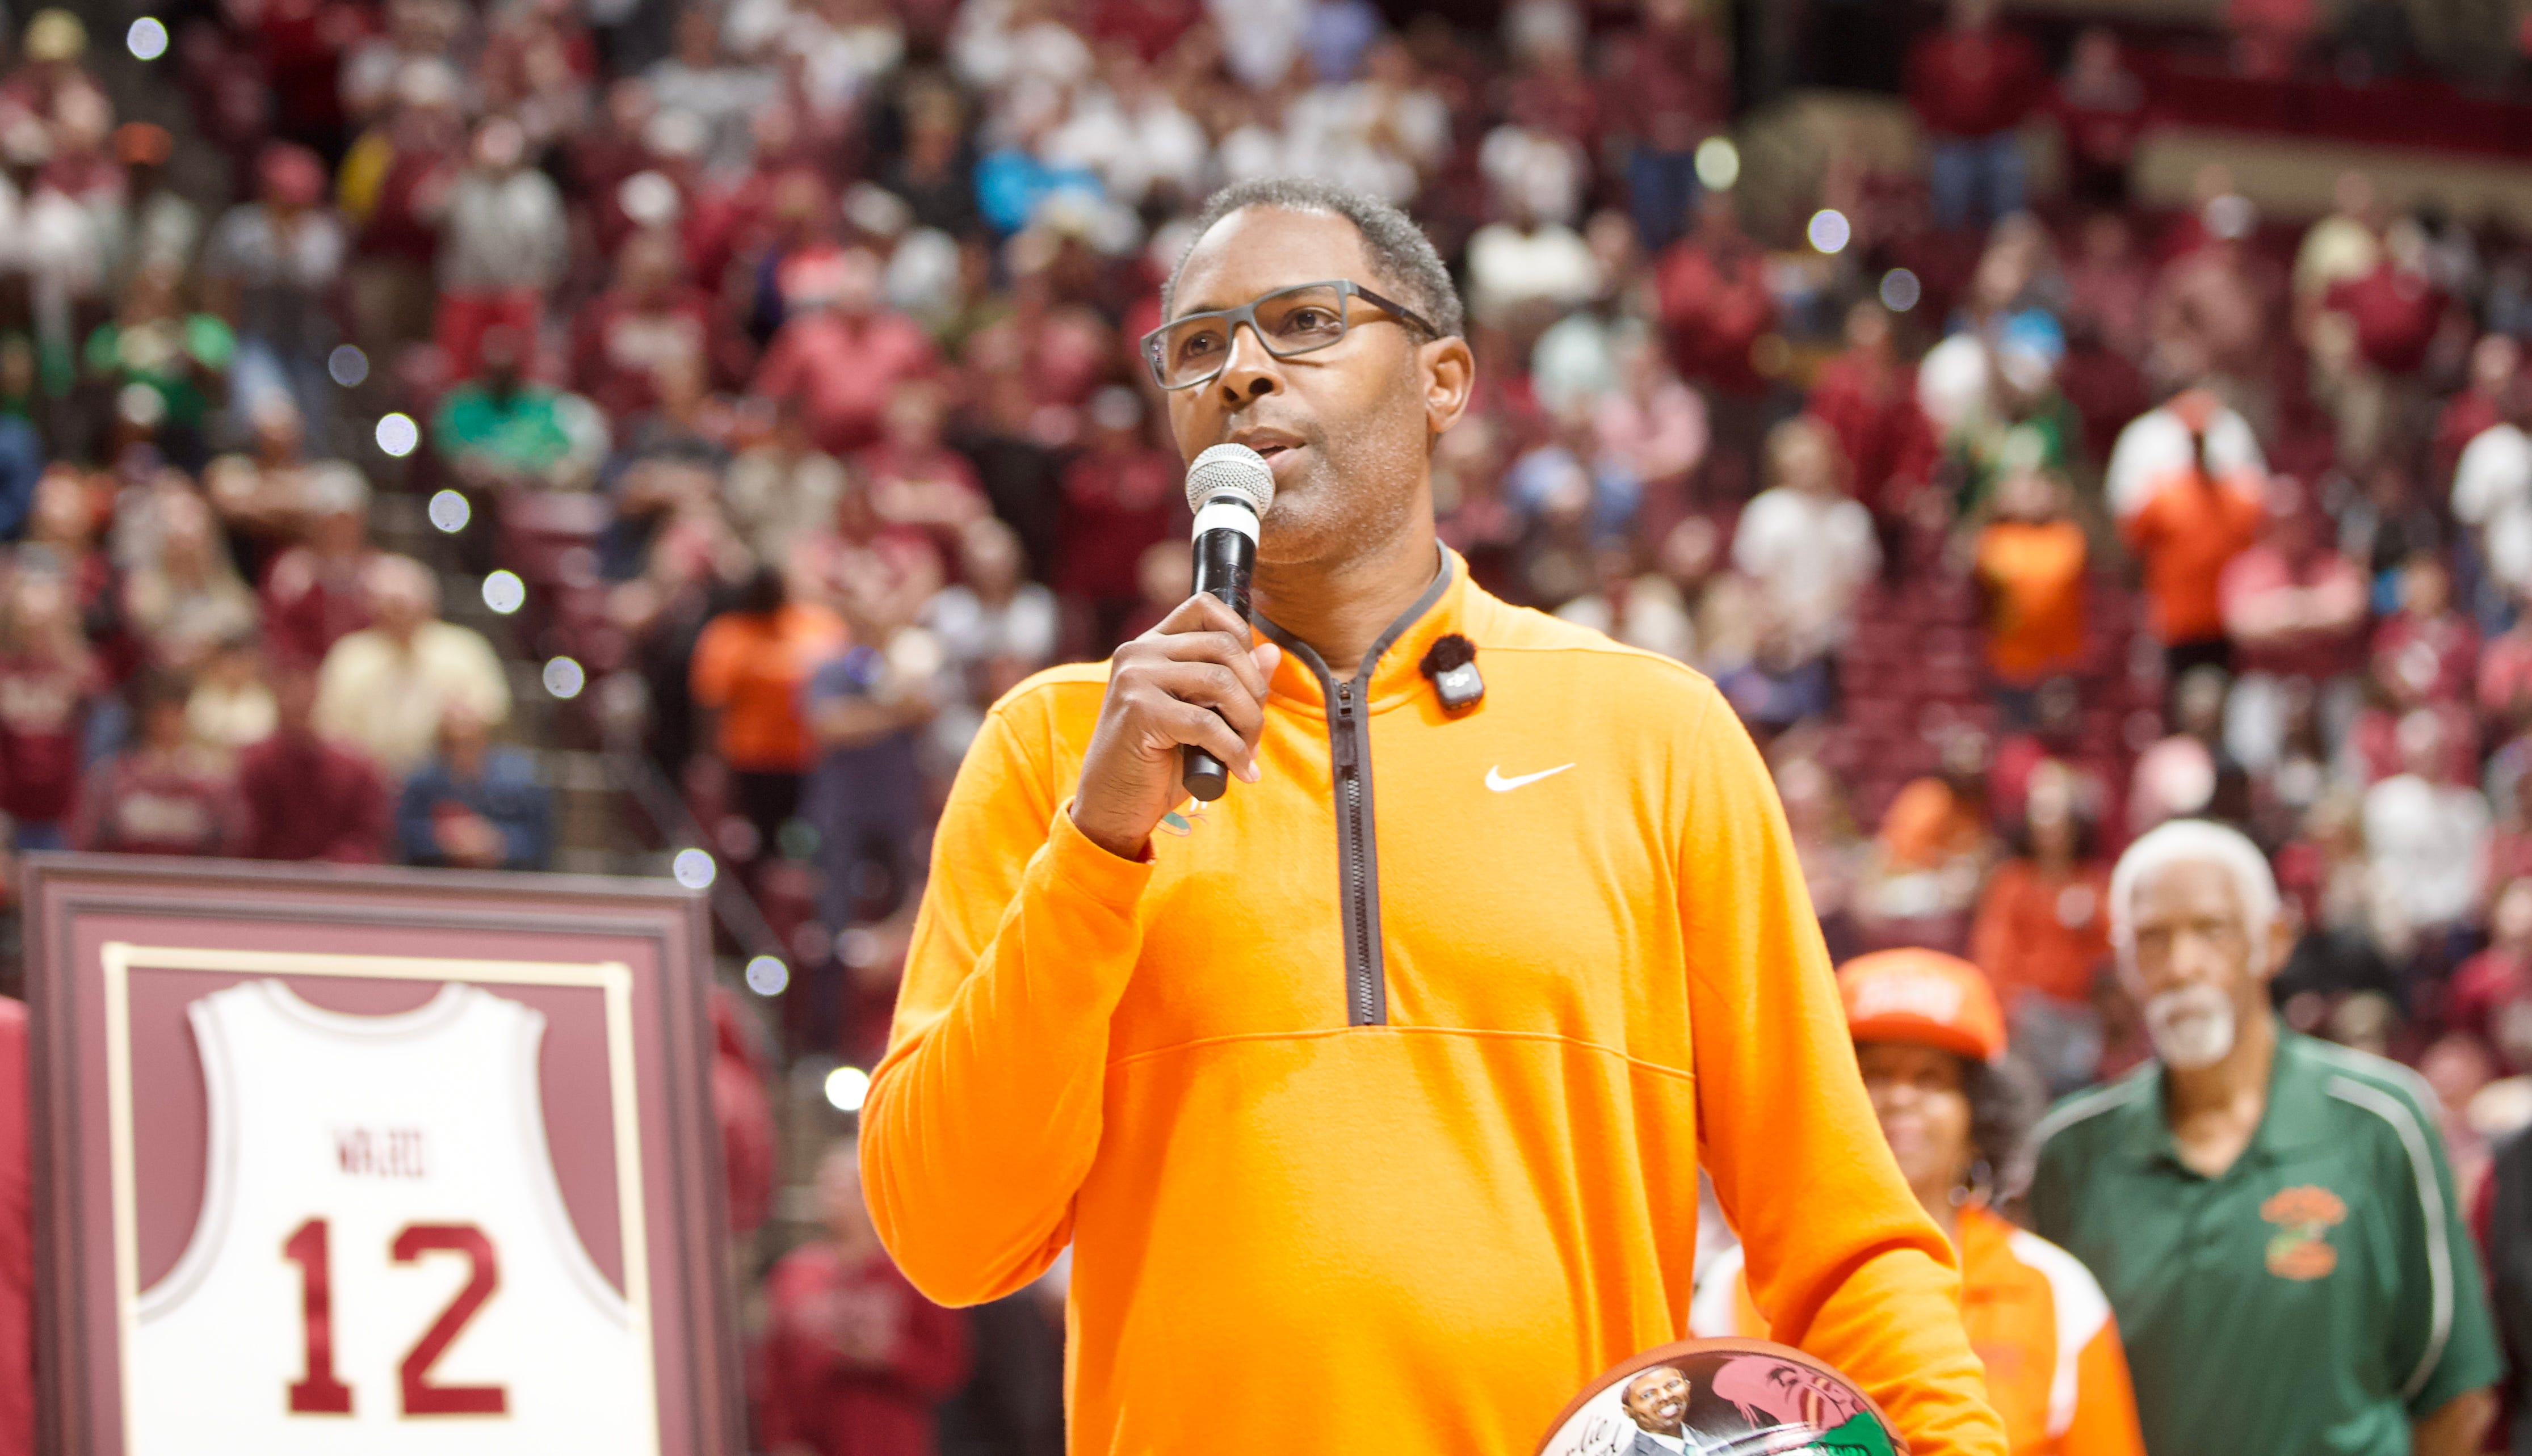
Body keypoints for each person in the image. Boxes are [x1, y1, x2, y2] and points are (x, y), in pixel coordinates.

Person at [863, 178, 2008, 1454]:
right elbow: (949, 1236)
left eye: (1303, 321)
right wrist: (1097, 845)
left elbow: (1837, 1227)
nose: (1239, 371)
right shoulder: (1057, 751)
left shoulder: (1655, 738)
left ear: (1443, 380)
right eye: (1196, 346)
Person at [2028, 819, 2502, 1456]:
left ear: (2272, 942)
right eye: (2152, 940)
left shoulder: (2385, 1121)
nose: (2182, 966)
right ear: (2124, 963)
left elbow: (2456, 1393)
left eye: (2211, 930)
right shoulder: (2067, 1150)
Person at [1693, 950, 2147, 1456]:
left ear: (1980, 1118)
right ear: (1826, 1104)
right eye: (1873, 1076)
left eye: (1931, 1078)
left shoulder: (2058, 1293)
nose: (1899, 1098)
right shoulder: (1737, 1287)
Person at [758, 1143, 971, 1456]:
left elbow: (949, 1369)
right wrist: (781, 1440)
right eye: (825, 1184)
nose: (830, 1197)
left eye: (844, 1187)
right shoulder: (794, 1274)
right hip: (812, 1442)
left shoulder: (914, 1273)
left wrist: (888, 1356)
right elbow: (776, 1372)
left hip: (889, 1439)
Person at [312, 554, 511, 776]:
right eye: (385, 604)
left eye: (402, 605)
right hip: (367, 781)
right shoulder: (349, 655)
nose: (395, 614)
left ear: (428, 604)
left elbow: (490, 712)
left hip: (442, 778)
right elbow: (330, 728)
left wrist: (460, 723)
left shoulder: (464, 649)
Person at [235, 666, 389, 862]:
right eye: (287, 687)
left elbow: (367, 837)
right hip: (269, 884)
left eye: (304, 686)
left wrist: (332, 866)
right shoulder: (254, 766)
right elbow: (245, 841)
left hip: (335, 884)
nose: (296, 697)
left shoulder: (355, 769)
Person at [394, 702, 553, 870]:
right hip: (438, 884)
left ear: (484, 739)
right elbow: (402, 839)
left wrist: (496, 841)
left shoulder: (522, 783)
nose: (461, 752)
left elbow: (540, 843)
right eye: (451, 744)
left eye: (469, 743)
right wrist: (443, 839)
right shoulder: (421, 784)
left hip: (505, 885)